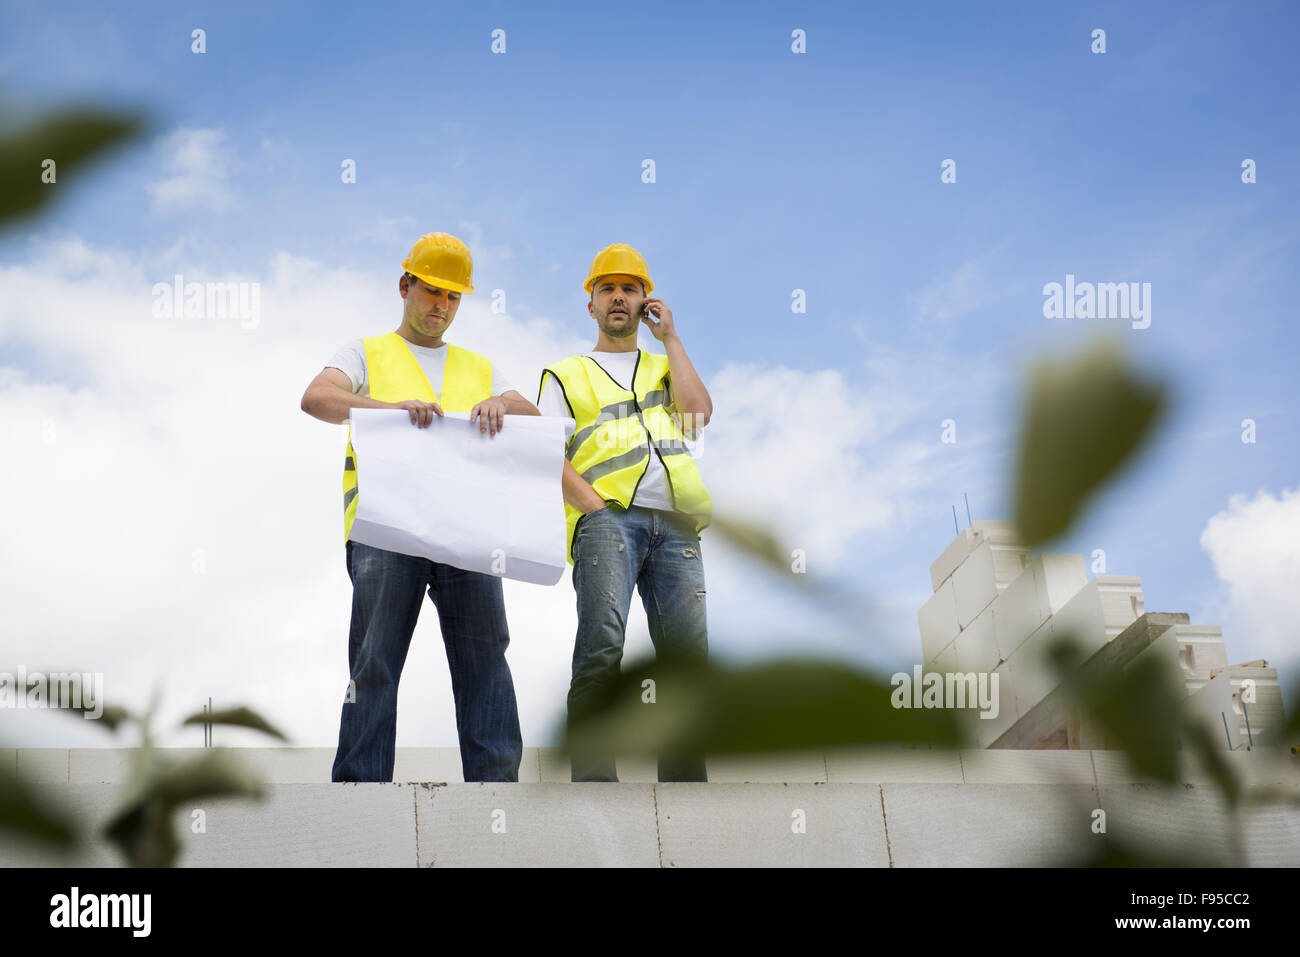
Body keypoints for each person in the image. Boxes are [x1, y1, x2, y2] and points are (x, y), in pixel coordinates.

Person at [301, 232, 537, 783]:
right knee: (375, 660)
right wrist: (386, 409)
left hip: (467, 534)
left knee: (486, 664)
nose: (443, 306)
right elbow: (317, 398)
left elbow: (530, 415)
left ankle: (495, 785)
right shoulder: (365, 352)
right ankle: (361, 785)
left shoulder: (479, 366)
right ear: (405, 285)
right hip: (387, 531)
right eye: (433, 291)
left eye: (454, 297)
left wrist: (499, 402)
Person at [535, 243, 714, 782]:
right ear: (589, 304)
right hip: (607, 521)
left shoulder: (665, 365)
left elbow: (698, 416)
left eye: (629, 288)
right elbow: (543, 452)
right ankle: (593, 781)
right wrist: (595, 508)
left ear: (645, 301)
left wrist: (673, 339)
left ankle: (685, 784)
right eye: (606, 288)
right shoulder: (566, 372)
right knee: (601, 646)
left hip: (677, 526)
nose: (618, 297)